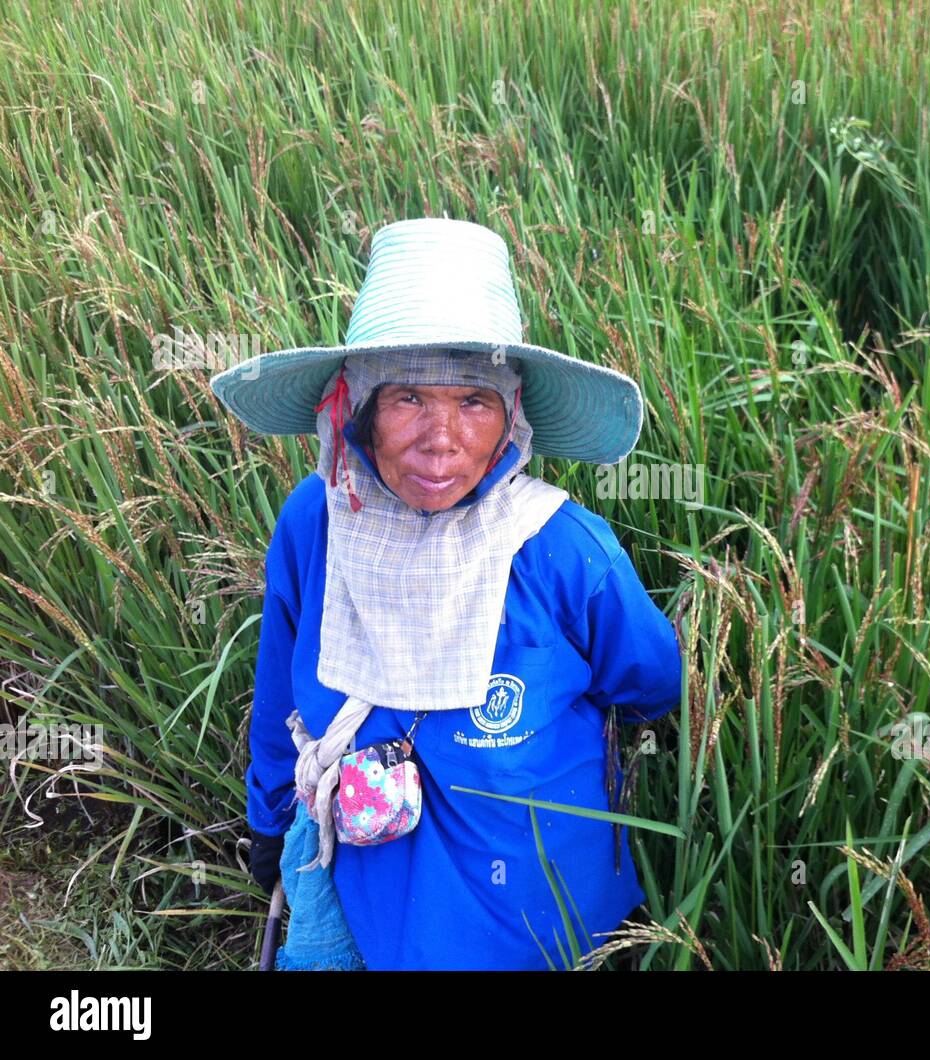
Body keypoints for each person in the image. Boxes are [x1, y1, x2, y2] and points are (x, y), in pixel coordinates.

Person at [211, 218, 683, 970]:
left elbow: (652, 685)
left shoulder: (560, 551)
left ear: (511, 420)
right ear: (358, 409)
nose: (441, 439)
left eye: (472, 400)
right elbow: (281, 696)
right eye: (405, 398)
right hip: (362, 892)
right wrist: (269, 826)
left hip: (530, 921)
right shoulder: (319, 519)